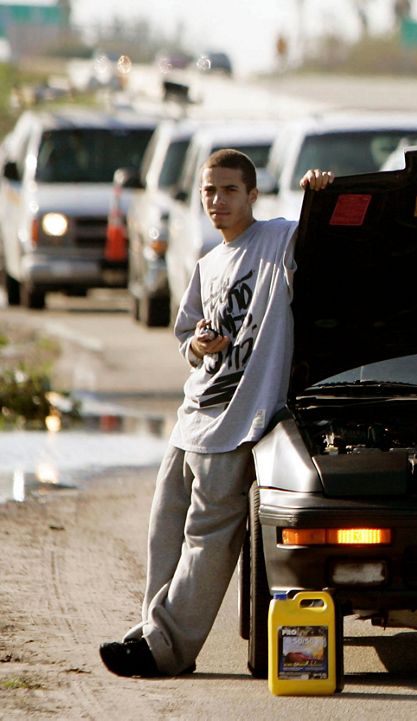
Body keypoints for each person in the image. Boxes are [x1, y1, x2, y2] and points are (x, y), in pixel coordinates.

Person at [98, 150, 333, 678]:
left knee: (206, 540)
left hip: (239, 422)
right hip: (193, 417)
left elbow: (320, 242)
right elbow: (185, 333)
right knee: (164, 531)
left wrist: (318, 195)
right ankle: (152, 632)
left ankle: (166, 652)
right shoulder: (208, 263)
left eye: (229, 190)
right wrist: (200, 347)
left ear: (252, 195)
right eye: (209, 191)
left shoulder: (275, 240)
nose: (217, 201)